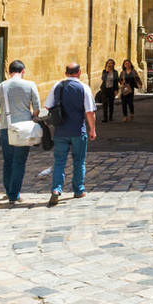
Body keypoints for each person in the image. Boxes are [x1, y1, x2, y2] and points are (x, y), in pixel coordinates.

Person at [45, 63, 97, 207]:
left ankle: (56, 189)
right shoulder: (84, 88)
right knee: (79, 161)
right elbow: (90, 112)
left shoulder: (58, 86)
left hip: (60, 131)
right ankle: (79, 190)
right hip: (77, 131)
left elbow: (48, 106)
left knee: (59, 161)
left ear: (66, 72)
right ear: (79, 72)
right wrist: (92, 129)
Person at [0, 60, 41, 205]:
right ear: (23, 71)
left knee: (8, 161)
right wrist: (31, 116)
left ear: (9, 72)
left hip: (6, 127)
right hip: (24, 128)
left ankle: (9, 191)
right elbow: (37, 108)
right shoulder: (30, 85)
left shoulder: (0, 87)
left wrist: (3, 122)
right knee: (19, 161)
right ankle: (14, 194)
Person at [97, 59, 118, 123]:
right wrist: (106, 72)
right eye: (109, 63)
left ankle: (110, 117)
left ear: (113, 64)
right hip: (104, 89)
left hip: (111, 89)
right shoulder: (104, 71)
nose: (110, 64)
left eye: (111, 63)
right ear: (107, 64)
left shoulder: (115, 72)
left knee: (111, 104)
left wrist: (116, 90)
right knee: (105, 104)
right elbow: (103, 79)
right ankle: (105, 118)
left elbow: (116, 81)